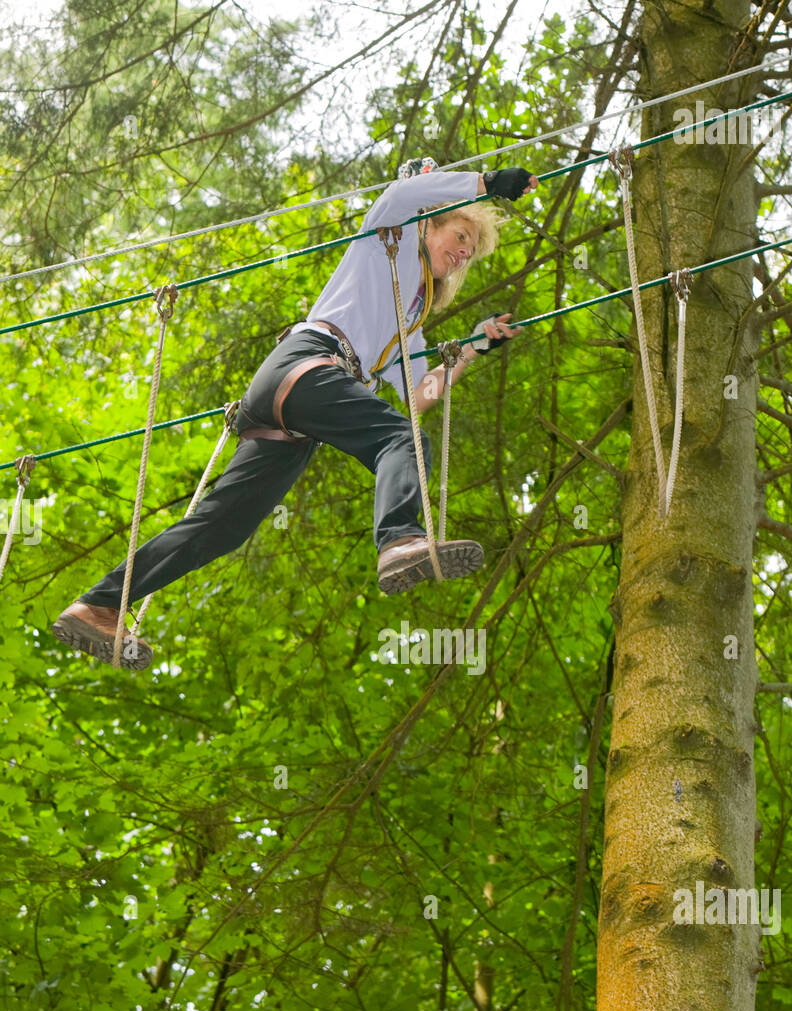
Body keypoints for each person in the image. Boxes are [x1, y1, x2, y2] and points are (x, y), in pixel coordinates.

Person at [51, 159, 539, 670]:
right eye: (461, 234)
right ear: (431, 220)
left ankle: (98, 604)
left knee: (223, 526)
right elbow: (403, 193)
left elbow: (420, 393)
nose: (463, 253)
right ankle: (399, 540)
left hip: (296, 408)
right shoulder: (387, 235)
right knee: (401, 439)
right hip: (308, 365)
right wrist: (485, 185)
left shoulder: (408, 313)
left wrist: (471, 352)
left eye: (470, 252)